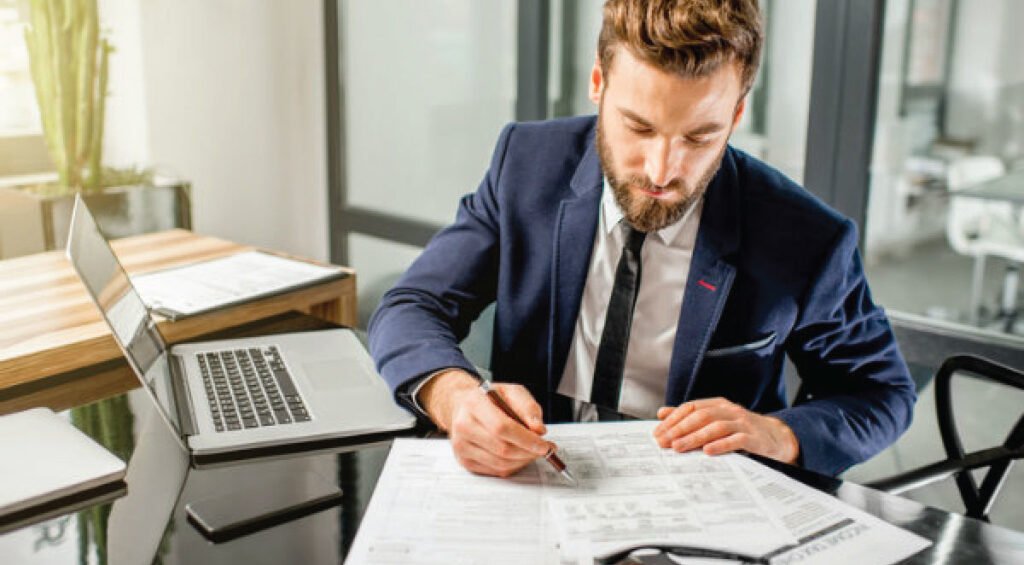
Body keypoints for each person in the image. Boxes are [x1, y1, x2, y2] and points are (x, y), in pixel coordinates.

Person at [368, 0, 916, 479]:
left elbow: (883, 393)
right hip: (532, 482)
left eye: (700, 136)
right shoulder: (525, 165)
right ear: (599, 85)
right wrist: (455, 397)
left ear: (737, 113)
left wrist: (780, 436)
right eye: (639, 127)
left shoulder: (804, 236)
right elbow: (413, 304)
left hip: (702, 507)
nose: (662, 170)